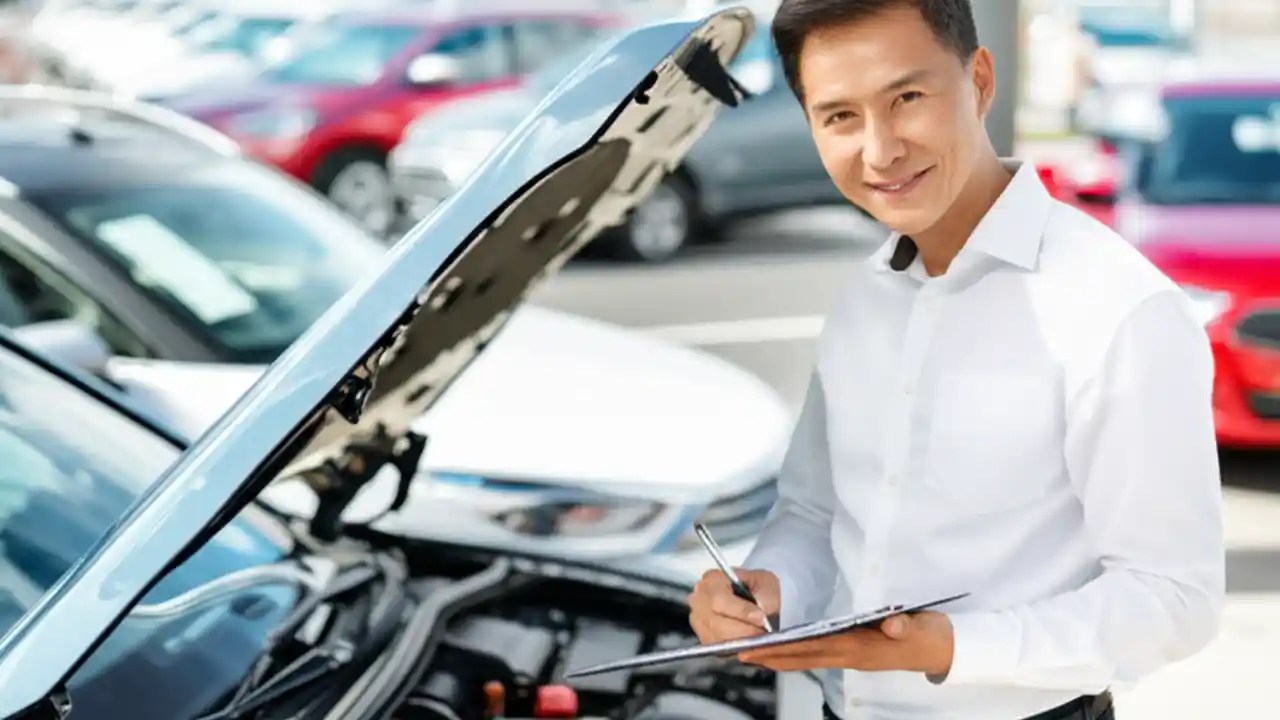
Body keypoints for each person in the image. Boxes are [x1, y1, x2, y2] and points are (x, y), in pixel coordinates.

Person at [684, 1, 1225, 718]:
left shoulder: (1120, 308)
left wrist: (949, 647)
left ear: (979, 80)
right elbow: (815, 512)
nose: (879, 151)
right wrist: (768, 588)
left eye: (905, 98)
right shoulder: (864, 298)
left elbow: (1174, 598)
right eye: (839, 116)